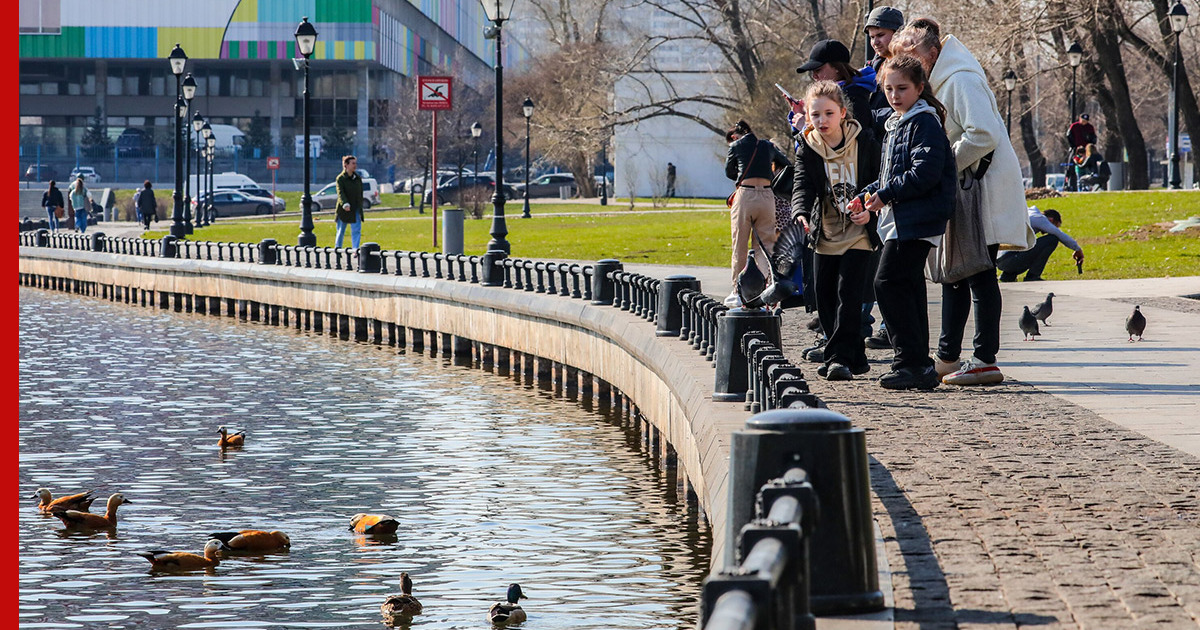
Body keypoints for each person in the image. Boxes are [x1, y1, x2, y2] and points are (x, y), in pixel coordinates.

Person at [891, 18, 1035, 387]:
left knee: (977, 271)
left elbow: (982, 133)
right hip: (969, 188)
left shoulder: (957, 79)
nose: (908, 64)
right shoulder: (948, 77)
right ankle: (948, 356)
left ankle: (985, 358)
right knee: (958, 271)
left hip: (979, 190)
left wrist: (942, 165)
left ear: (933, 54)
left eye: (912, 56)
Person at [859, 55, 957, 390]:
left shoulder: (923, 122)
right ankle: (919, 365)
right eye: (888, 88)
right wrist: (869, 194)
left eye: (902, 88)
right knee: (909, 286)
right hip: (903, 217)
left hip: (917, 217)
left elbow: (924, 174)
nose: (895, 95)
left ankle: (909, 361)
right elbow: (892, 174)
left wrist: (886, 195)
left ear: (919, 88)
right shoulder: (898, 123)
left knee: (886, 283)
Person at [791, 81, 882, 380]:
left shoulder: (864, 141)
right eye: (815, 115)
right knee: (825, 296)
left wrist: (869, 209)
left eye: (828, 113)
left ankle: (838, 359)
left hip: (858, 232)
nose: (822, 121)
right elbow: (802, 184)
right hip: (825, 232)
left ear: (842, 113)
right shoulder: (808, 146)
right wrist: (801, 212)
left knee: (849, 294)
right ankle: (854, 356)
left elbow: (879, 179)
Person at [861, 6, 905, 350]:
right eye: (872, 36)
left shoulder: (904, 66)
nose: (876, 42)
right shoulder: (874, 68)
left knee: (892, 261)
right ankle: (886, 324)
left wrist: (866, 112)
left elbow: (897, 111)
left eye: (881, 35)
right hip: (878, 166)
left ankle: (896, 329)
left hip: (898, 170)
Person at [725, 120, 790, 306]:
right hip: (767, 196)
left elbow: (729, 172)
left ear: (735, 136)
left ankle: (737, 292)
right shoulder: (767, 146)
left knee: (740, 244)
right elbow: (785, 162)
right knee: (766, 245)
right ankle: (767, 288)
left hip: (745, 194)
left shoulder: (736, 146)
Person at [796, 39, 879, 140]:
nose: (814, 76)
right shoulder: (852, 92)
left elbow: (843, 144)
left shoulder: (854, 98)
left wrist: (804, 128)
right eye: (816, 114)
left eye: (818, 70)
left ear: (837, 68)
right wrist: (805, 114)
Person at [997, 207, 1083, 282]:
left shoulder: (1029, 212)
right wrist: (1077, 249)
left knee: (1029, 243)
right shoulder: (1040, 219)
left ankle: (1007, 276)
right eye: (1055, 226)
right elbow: (1058, 234)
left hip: (1001, 259)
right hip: (1010, 260)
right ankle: (1033, 275)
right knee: (1052, 239)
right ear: (1051, 220)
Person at [335, 155, 365, 249]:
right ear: (346, 165)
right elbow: (341, 193)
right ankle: (338, 249)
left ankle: (355, 250)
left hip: (355, 208)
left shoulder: (357, 178)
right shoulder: (341, 178)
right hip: (344, 209)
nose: (355, 165)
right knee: (341, 230)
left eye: (355, 163)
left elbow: (360, 194)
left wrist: (360, 209)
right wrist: (345, 203)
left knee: (356, 230)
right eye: (353, 163)